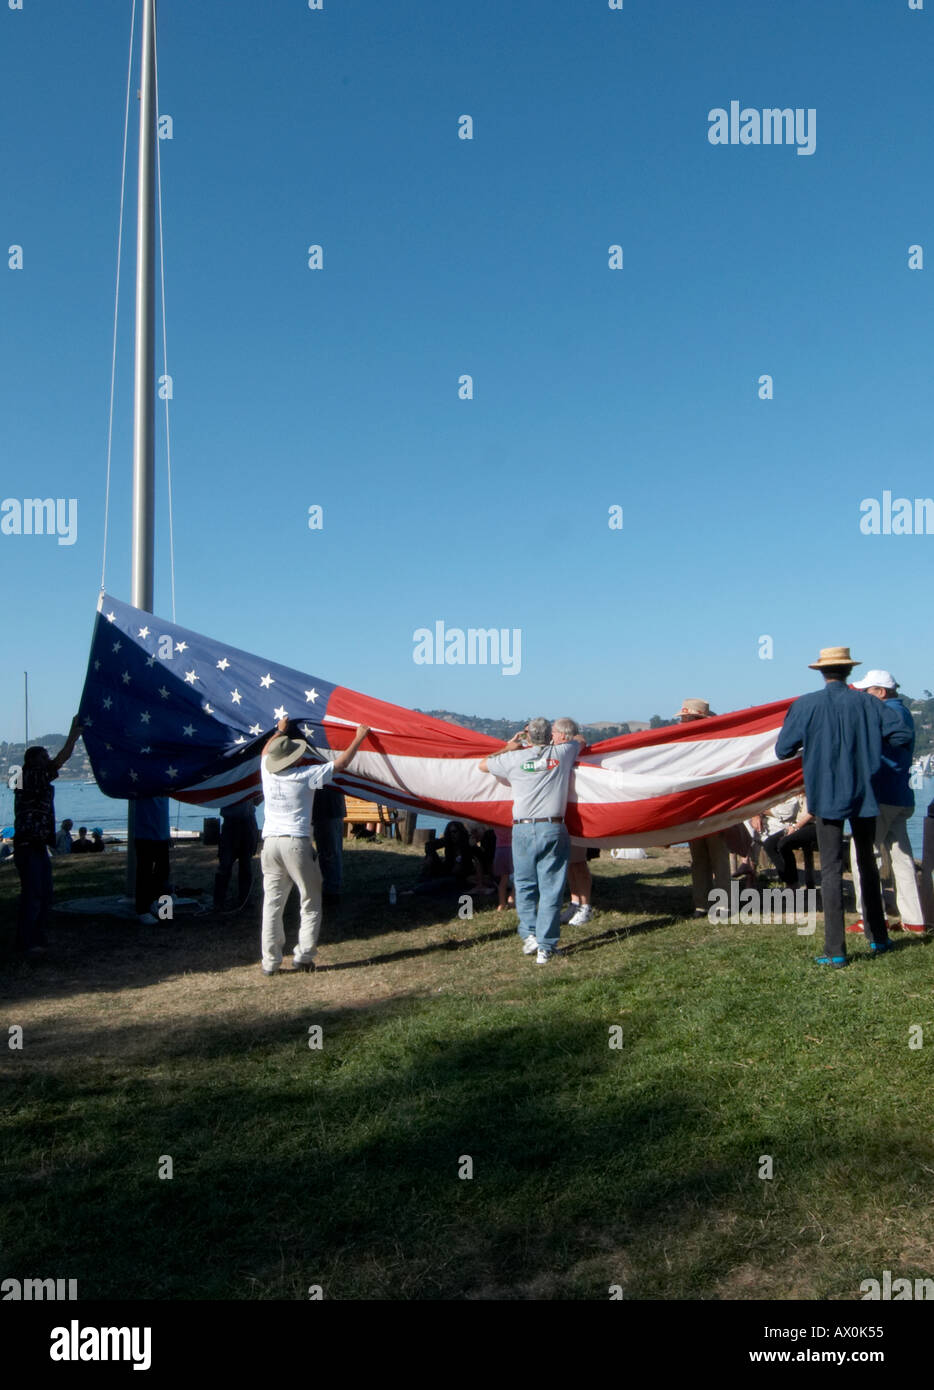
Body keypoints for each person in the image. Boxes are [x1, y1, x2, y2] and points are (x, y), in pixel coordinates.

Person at [775, 646, 905, 967]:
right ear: (849, 672)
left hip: (826, 794)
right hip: (864, 792)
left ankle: (835, 950)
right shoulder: (868, 703)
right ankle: (878, 937)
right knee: (866, 863)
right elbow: (900, 734)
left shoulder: (805, 705)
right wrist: (872, 745)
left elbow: (782, 750)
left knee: (831, 869)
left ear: (821, 672)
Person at [260, 716, 369, 975]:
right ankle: (304, 956)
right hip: (296, 843)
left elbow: (266, 751)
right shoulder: (304, 776)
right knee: (310, 899)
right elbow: (341, 764)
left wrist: (279, 730)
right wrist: (359, 737)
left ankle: (270, 962)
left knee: (272, 905)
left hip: (269, 843)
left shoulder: (266, 770)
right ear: (294, 759)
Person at [478, 716, 584, 963]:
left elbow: (482, 765)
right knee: (551, 887)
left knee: (524, 884)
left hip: (523, 830)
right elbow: (580, 739)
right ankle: (546, 945)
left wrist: (508, 747)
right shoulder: (563, 752)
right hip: (552, 828)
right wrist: (562, 738)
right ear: (550, 736)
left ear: (527, 736)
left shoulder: (512, 759)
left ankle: (529, 935)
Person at [848, 670, 926, 935]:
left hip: (880, 797)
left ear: (881, 692)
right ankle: (914, 919)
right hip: (901, 796)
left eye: (867, 692)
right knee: (901, 857)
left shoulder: (886, 714)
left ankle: (870, 917)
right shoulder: (901, 712)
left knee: (862, 855)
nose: (863, 696)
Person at [12, 715, 82, 958]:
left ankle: (38, 937)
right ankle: (27, 941)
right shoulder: (28, 777)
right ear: (32, 760)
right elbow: (61, 759)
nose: (47, 760)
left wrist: (74, 734)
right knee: (33, 894)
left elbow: (60, 759)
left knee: (44, 893)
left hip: (38, 845)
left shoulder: (33, 776)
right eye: (43, 756)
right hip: (28, 845)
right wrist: (74, 733)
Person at [677, 699, 732, 916]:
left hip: (714, 806)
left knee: (718, 857)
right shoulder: (682, 744)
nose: (683, 722)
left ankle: (723, 904)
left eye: (686, 718)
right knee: (698, 858)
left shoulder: (716, 743)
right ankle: (700, 903)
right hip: (693, 807)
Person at [213, 796, 260, 911]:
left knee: (246, 865)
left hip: (248, 821)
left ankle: (244, 900)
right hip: (231, 822)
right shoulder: (226, 778)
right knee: (225, 864)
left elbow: (258, 800)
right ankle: (219, 902)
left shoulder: (250, 779)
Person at [134, 798, 172, 924]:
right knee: (144, 872)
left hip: (162, 831)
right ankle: (142, 910)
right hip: (144, 832)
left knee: (163, 870)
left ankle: (159, 905)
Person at [312, 785, 347, 905]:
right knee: (328, 851)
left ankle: (331, 890)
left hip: (328, 808)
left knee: (330, 852)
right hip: (326, 809)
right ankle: (330, 887)